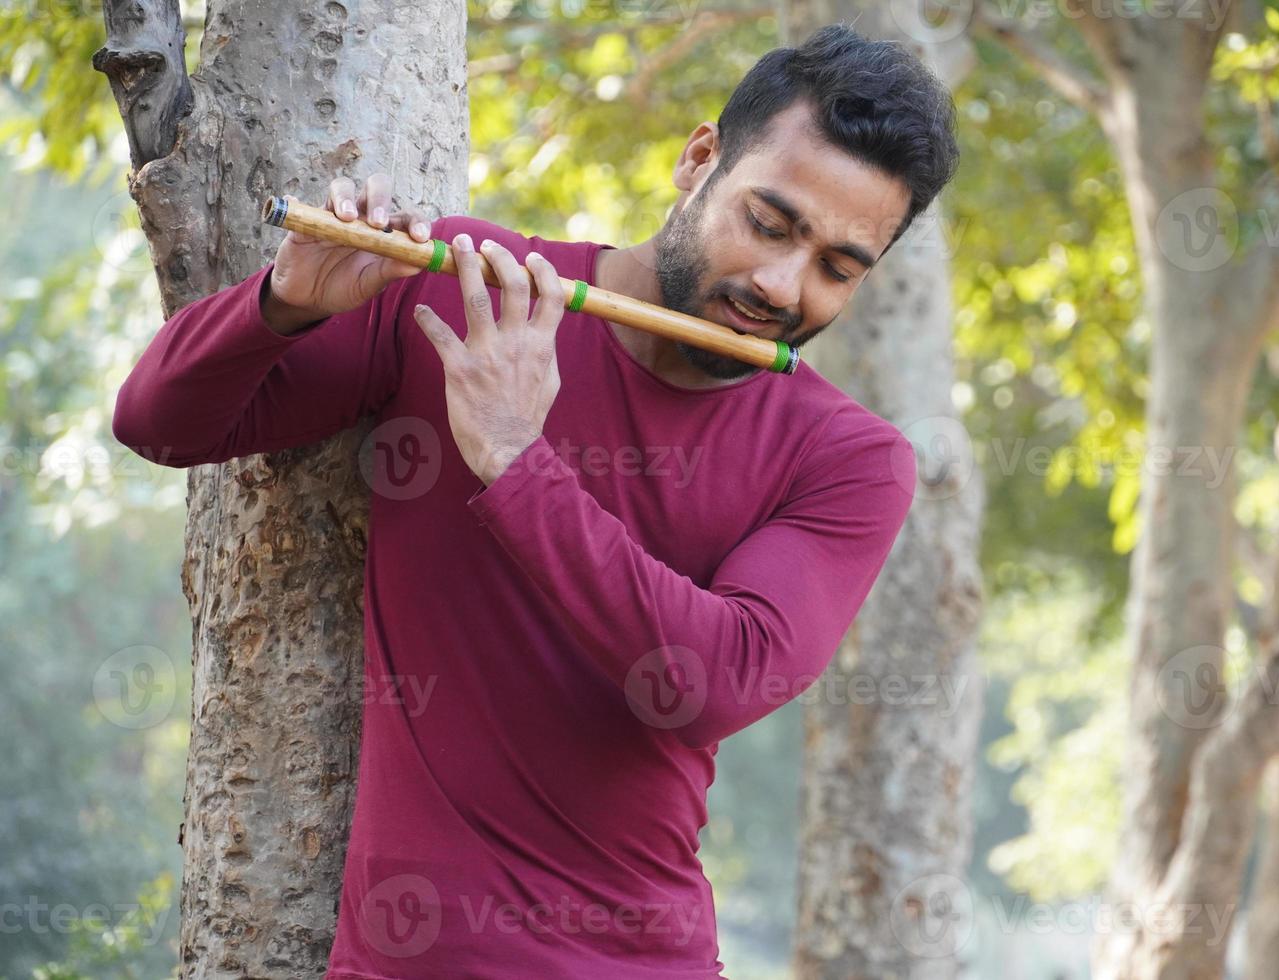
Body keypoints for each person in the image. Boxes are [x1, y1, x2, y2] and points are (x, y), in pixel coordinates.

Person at [112, 23, 959, 980]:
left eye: (837, 267)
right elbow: (161, 425)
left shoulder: (849, 457)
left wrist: (518, 462)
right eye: (770, 224)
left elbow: (713, 679)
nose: (780, 284)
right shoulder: (475, 290)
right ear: (699, 160)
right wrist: (286, 299)